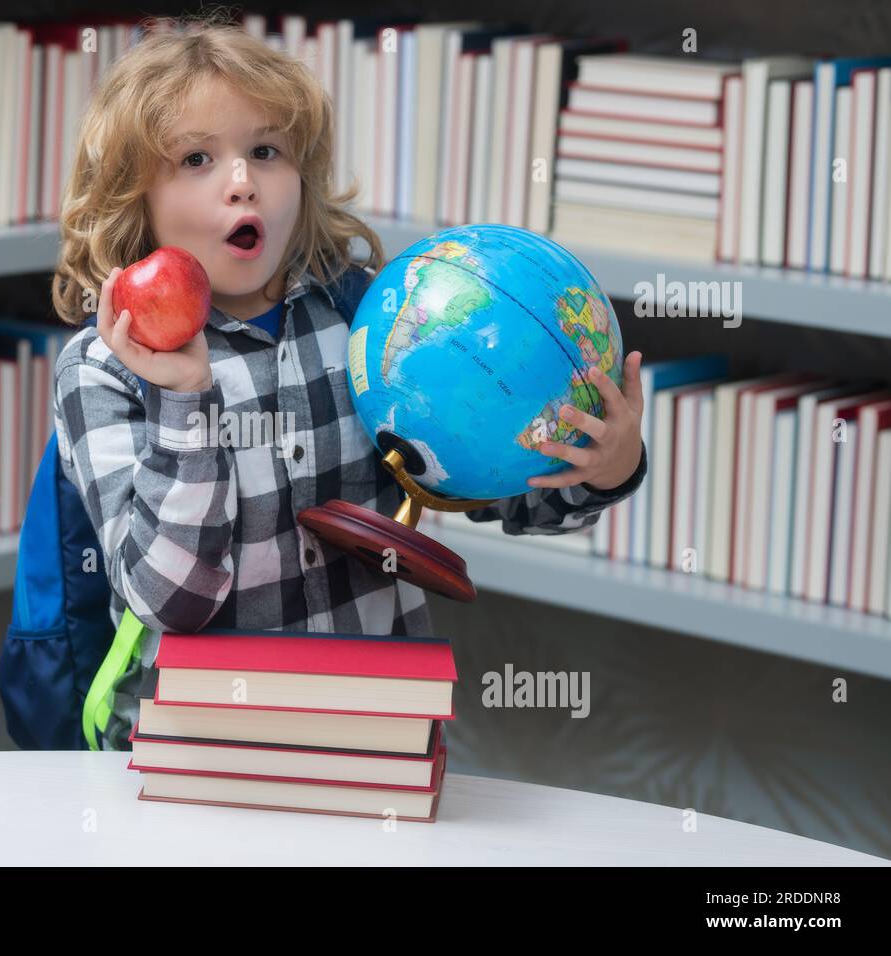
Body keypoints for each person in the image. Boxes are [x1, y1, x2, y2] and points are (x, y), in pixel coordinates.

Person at [49, 14, 647, 750]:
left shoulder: (369, 320)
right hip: (194, 753)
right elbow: (172, 601)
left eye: (265, 150)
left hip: (370, 742)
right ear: (131, 197)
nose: (242, 182)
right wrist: (185, 400)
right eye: (197, 159)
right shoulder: (104, 369)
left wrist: (605, 468)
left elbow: (503, 493)